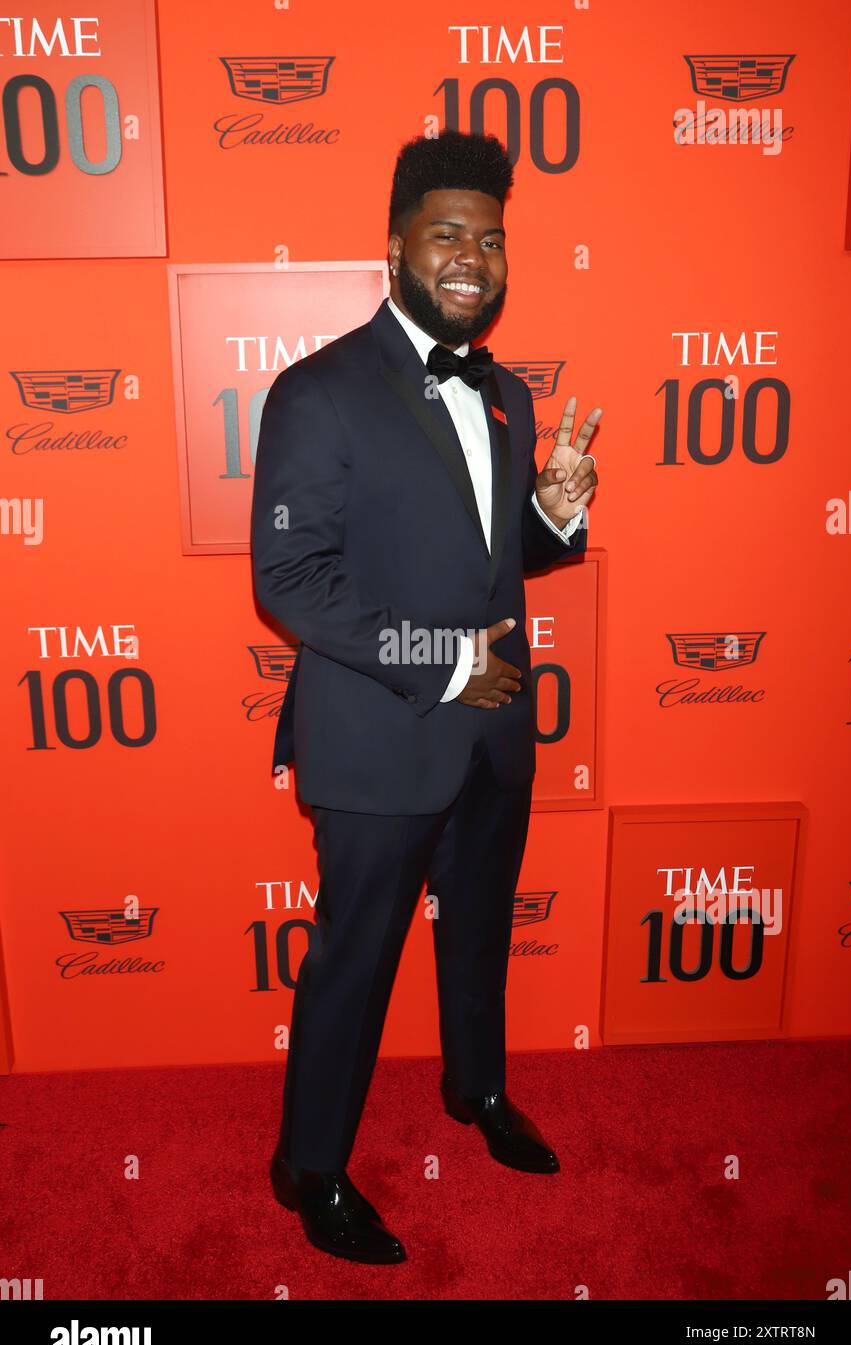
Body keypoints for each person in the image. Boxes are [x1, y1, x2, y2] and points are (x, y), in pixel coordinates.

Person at [251, 128, 601, 1264]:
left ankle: (476, 1088)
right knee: (355, 954)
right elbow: (290, 580)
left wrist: (552, 512)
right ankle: (307, 1165)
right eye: (447, 233)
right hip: (375, 736)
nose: (471, 257)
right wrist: (445, 660)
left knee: (480, 933)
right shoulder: (317, 391)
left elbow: (494, 561)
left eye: (490, 240)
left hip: (495, 735)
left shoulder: (505, 395)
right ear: (395, 243)